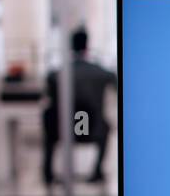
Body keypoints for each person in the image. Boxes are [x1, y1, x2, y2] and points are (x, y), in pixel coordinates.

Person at [43, 27, 116, 185]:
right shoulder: (99, 72)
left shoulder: (58, 74)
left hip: (63, 130)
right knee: (106, 126)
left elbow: (48, 91)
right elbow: (117, 84)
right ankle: (96, 171)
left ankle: (47, 172)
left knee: (49, 118)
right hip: (91, 130)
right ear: (87, 46)